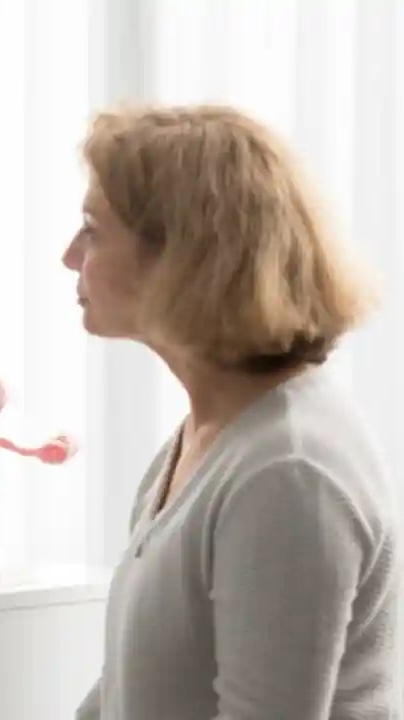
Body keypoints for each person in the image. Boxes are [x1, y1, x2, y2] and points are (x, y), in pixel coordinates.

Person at [65, 104, 399, 719]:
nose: (68, 256)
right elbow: (124, 693)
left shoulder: (290, 473)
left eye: (93, 230)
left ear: (181, 256)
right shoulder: (213, 431)